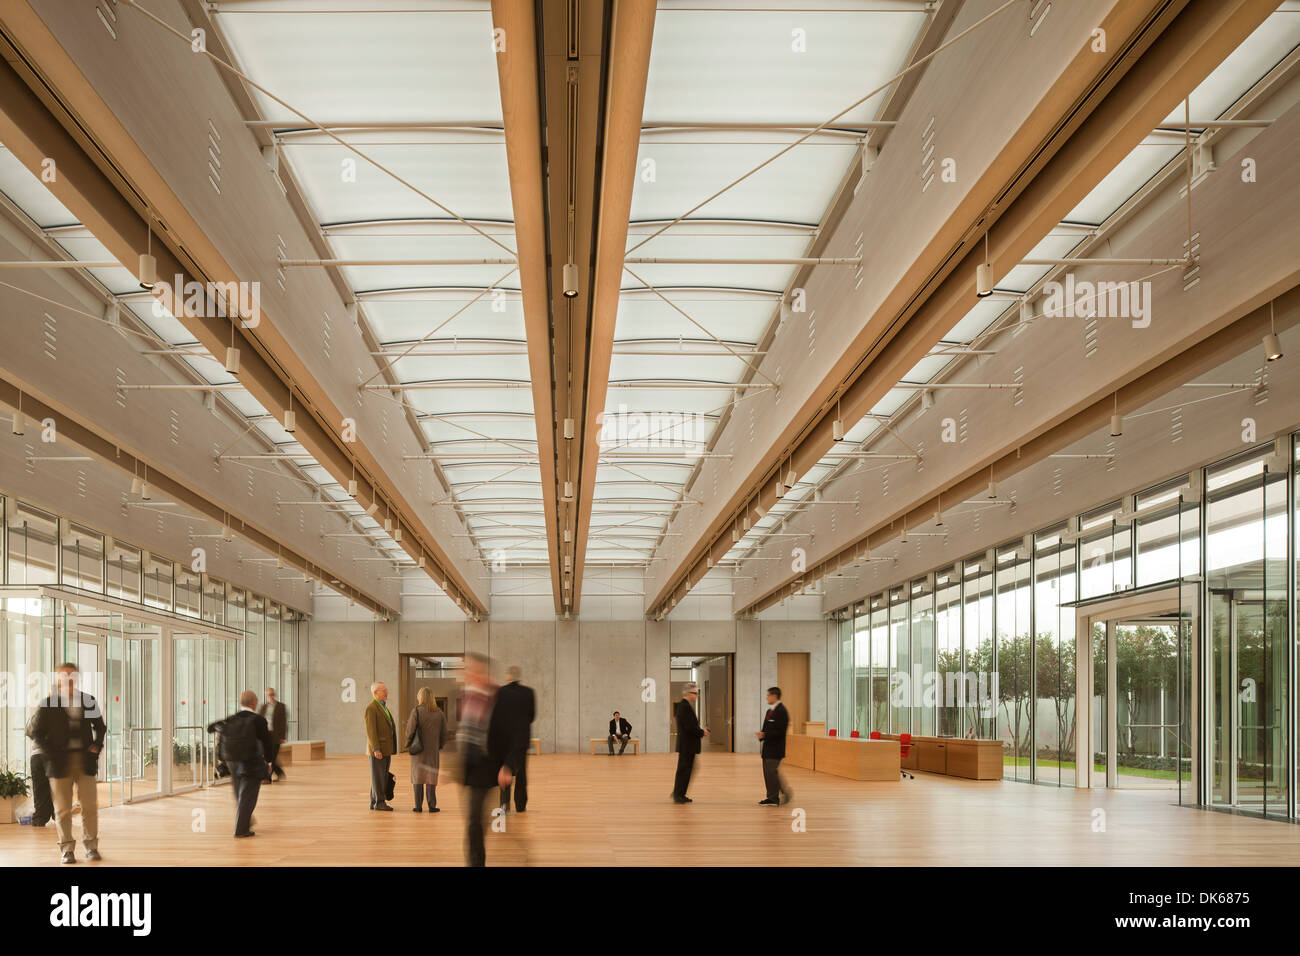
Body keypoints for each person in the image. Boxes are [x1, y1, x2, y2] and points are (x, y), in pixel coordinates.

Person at [27, 663, 107, 862]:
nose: (68, 678)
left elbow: (100, 727)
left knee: (89, 806)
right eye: (64, 675)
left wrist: (96, 746)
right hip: (58, 763)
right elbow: (35, 733)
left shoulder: (88, 701)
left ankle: (91, 847)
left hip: (84, 761)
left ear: (77, 677)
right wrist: (49, 754)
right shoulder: (48, 704)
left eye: (72, 675)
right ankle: (67, 849)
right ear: (57, 679)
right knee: (62, 810)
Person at [458, 653, 524, 867]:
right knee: (474, 821)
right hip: (471, 769)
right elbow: (463, 733)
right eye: (467, 671)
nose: (469, 675)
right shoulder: (467, 697)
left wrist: (508, 766)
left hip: (492, 766)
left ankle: (476, 862)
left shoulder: (504, 699)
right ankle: (476, 860)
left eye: (473, 670)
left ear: (485, 673)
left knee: (476, 821)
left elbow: (519, 735)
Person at [207, 691, 274, 837]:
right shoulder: (258, 720)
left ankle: (245, 820)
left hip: (232, 761)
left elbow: (218, 734)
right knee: (248, 795)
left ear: (241, 702)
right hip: (251, 761)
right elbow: (267, 743)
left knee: (239, 793)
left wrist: (222, 759)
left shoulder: (231, 719)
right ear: (254, 702)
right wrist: (269, 761)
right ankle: (241, 829)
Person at [495, 665, 535, 812]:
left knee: (505, 770)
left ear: (508, 677)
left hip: (504, 740)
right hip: (522, 739)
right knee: (522, 773)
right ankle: (520, 804)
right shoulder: (529, 692)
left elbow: (496, 716)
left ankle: (504, 804)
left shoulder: (500, 692)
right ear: (519, 677)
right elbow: (532, 716)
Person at [404, 687, 447, 812]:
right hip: (433, 751)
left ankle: (418, 806)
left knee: (418, 777)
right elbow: (444, 733)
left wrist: (407, 744)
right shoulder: (439, 713)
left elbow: (409, 731)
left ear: (420, 697)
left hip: (418, 750)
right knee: (431, 777)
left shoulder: (416, 711)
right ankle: (432, 806)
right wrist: (439, 745)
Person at [756, 686, 793, 806]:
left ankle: (782, 793)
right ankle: (772, 797)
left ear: (774, 696)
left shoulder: (782, 711)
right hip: (767, 748)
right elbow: (766, 727)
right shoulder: (769, 711)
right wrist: (762, 735)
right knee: (768, 774)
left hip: (776, 748)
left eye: (768, 695)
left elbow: (781, 732)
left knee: (772, 772)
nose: (766, 697)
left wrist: (765, 734)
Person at [672, 682, 708, 804]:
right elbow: (690, 727)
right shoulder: (685, 707)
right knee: (684, 770)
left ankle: (679, 793)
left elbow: (690, 726)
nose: (697, 696)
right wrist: (701, 732)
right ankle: (679, 795)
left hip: (687, 745)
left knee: (685, 770)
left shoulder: (684, 706)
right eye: (696, 693)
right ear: (689, 693)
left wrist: (700, 731)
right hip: (687, 745)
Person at [364, 681, 397, 811]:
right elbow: (371, 731)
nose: (386, 692)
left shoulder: (383, 706)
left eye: (386, 690)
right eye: (384, 690)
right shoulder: (371, 708)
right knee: (378, 777)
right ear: (375, 692)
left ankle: (374, 801)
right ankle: (380, 803)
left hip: (386, 749)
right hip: (378, 750)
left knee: (380, 776)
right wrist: (376, 748)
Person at [23, 710, 53, 828]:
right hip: (51, 756)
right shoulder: (58, 715)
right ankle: (58, 815)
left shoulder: (36, 714)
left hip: (35, 755)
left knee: (39, 788)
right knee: (56, 787)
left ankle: (39, 819)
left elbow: (28, 731)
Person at [257, 687, 288, 781]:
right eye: (269, 694)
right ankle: (278, 773)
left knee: (273, 756)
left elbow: (283, 722)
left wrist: (283, 737)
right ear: (266, 695)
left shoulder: (281, 706)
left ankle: (269, 776)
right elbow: (259, 721)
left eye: (272, 694)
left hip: (276, 735)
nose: (271, 696)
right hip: (266, 735)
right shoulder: (263, 707)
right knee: (268, 756)